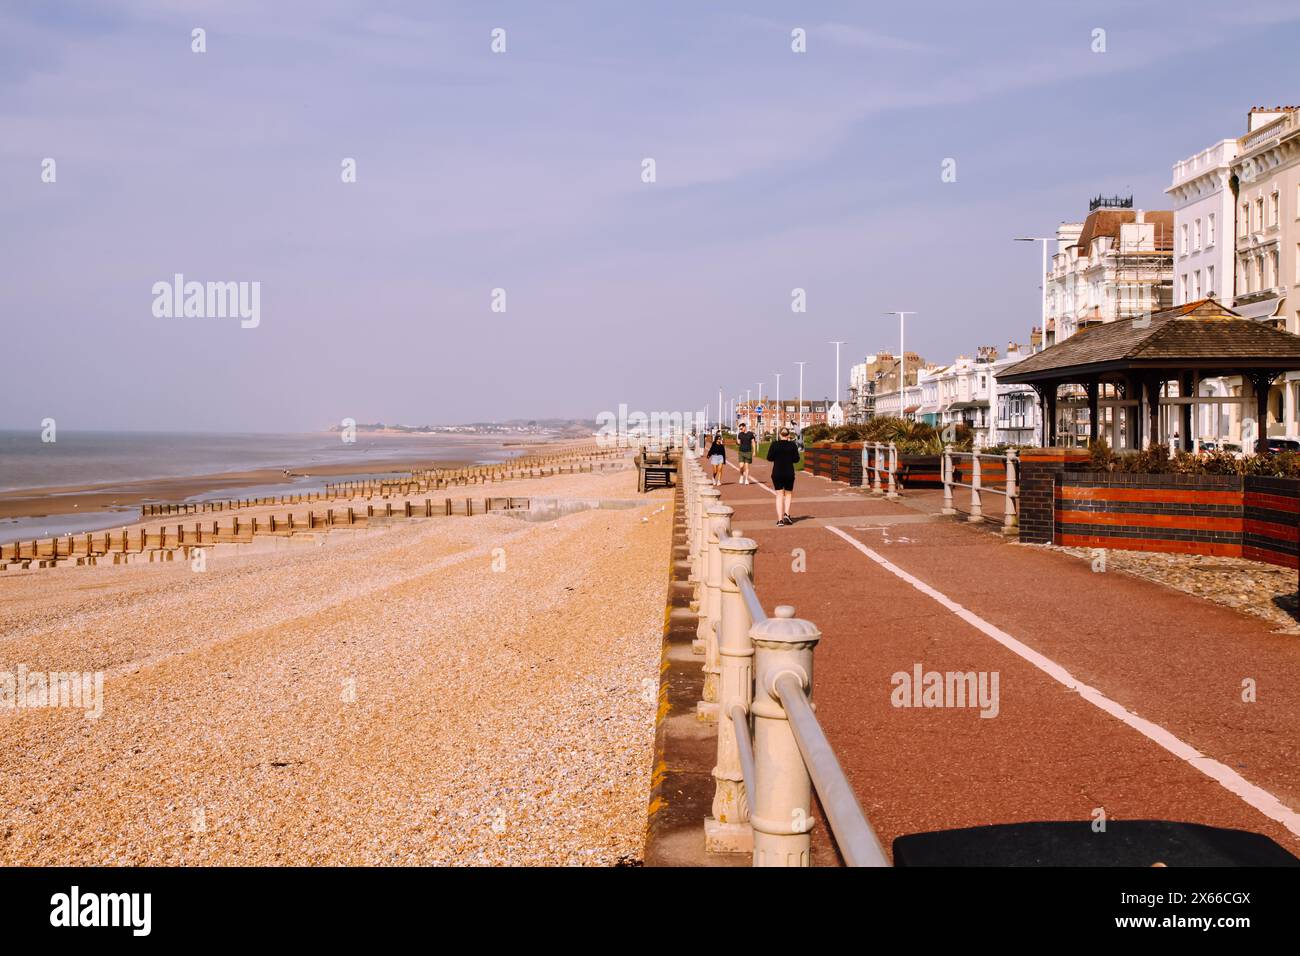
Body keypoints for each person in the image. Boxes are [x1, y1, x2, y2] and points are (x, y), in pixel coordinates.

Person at [765, 426, 800, 525]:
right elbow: (796, 459)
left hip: (777, 472)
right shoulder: (792, 445)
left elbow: (769, 458)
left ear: (780, 435)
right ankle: (787, 514)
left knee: (779, 495)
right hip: (789, 472)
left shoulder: (774, 444)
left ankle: (780, 520)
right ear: (788, 435)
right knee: (788, 494)